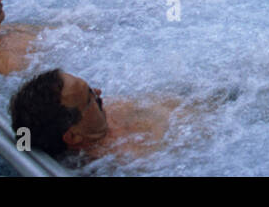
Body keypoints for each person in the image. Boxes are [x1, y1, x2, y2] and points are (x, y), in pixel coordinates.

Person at [10, 69, 180, 160]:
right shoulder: (127, 159)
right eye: (91, 99)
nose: (99, 92)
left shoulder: (103, 115)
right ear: (73, 137)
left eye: (91, 88)